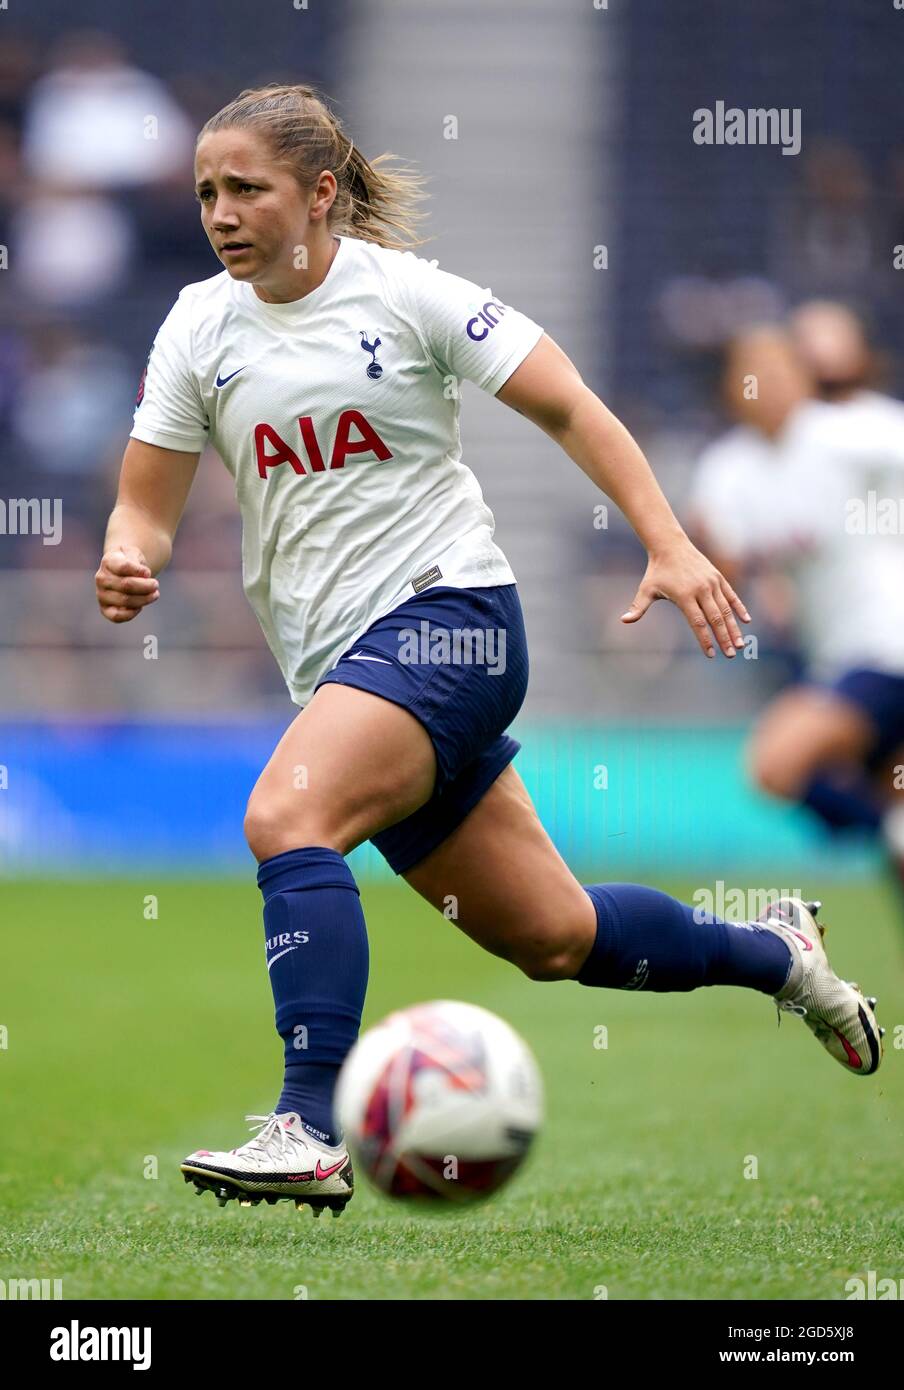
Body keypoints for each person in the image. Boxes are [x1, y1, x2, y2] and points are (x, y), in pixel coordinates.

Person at [96, 87, 883, 1218]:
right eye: (208, 191)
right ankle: (783, 958)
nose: (221, 211)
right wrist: (130, 556)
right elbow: (146, 504)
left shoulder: (408, 295)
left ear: (319, 194)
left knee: (287, 816)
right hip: (344, 669)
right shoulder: (195, 326)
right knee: (557, 938)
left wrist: (666, 544)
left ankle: (308, 1128)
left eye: (246, 188)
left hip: (451, 620)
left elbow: (568, 404)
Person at [690, 320, 904, 892]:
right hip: (835, 659)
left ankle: (889, 829)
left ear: (805, 378)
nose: (767, 385)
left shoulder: (852, 433)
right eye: (752, 375)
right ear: (733, 389)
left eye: (780, 371)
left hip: (887, 641)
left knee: (775, 762)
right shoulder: (727, 471)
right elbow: (726, 570)